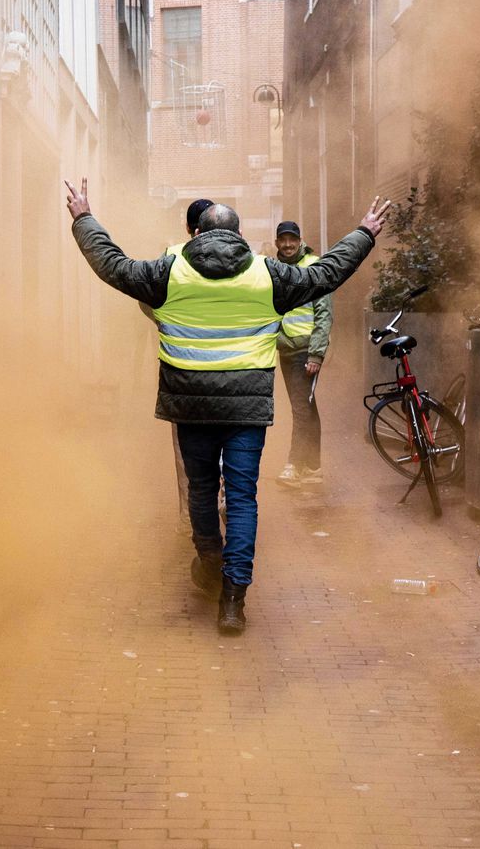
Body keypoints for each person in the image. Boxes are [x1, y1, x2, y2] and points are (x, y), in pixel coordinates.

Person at [64, 178, 390, 633]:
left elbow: (112, 265)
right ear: (238, 236)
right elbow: (326, 274)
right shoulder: (267, 274)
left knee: (201, 491)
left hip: (191, 407)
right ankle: (234, 600)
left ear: (198, 233)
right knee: (241, 499)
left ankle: (210, 562)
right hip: (245, 412)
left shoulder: (170, 271)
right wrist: (364, 233)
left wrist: (83, 218)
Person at [158, 199, 214, 537]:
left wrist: (172, 326)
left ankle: (189, 515)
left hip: (181, 367)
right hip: (232, 368)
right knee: (227, 442)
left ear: (189, 228)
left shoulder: (172, 257)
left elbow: (149, 303)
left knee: (186, 449)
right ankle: (223, 505)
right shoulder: (243, 259)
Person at [273, 221, 329, 487]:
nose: (287, 245)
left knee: (300, 408)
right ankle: (313, 467)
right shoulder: (277, 270)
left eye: (291, 240)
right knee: (307, 407)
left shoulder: (314, 266)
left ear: (300, 240)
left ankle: (295, 464)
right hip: (286, 350)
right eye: (282, 240)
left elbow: (324, 314)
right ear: (276, 243)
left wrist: (316, 354)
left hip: (305, 351)